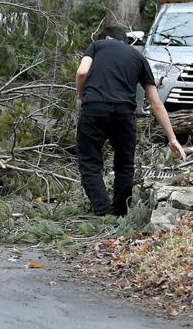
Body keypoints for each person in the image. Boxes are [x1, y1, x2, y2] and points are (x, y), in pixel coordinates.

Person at [75, 23, 183, 216]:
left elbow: (82, 71)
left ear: (107, 39)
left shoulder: (97, 46)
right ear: (125, 42)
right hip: (124, 113)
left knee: (90, 164)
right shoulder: (139, 57)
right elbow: (156, 103)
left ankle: (102, 212)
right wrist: (173, 139)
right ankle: (119, 213)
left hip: (94, 108)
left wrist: (81, 96)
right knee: (124, 165)